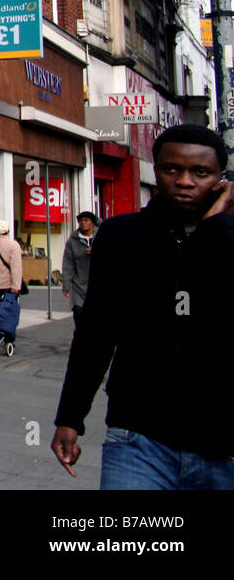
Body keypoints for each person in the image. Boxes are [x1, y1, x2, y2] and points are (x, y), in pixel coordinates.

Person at [51, 124, 234, 489]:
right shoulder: (122, 235)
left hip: (223, 445)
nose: (184, 181)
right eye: (172, 170)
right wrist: (70, 416)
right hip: (137, 438)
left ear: (221, 180)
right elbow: (96, 333)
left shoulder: (227, 240)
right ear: (156, 170)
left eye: (200, 172)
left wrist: (216, 232)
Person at [60, 211, 97, 328]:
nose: (83, 223)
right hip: (78, 286)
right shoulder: (72, 241)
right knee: (79, 316)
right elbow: (68, 264)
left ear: (92, 223)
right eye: (81, 220)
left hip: (98, 286)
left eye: (86, 220)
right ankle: (80, 343)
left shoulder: (101, 236)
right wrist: (66, 284)